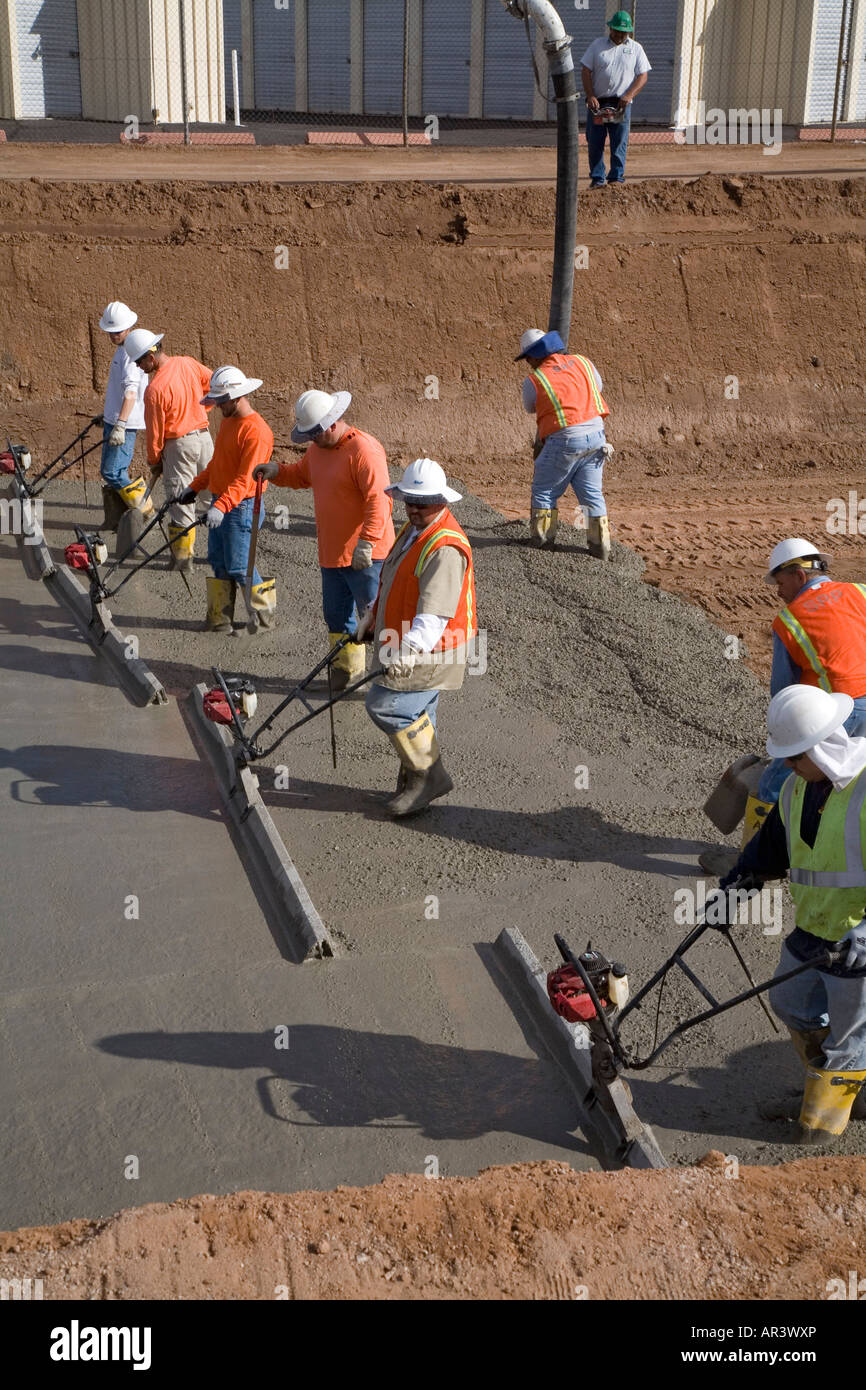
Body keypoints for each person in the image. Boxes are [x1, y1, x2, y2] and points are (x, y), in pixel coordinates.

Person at [720, 685, 866, 1143]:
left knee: (850, 1040)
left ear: (822, 747)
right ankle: (837, 1092)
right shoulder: (796, 789)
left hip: (854, 946)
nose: (785, 765)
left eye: (794, 756)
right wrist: (734, 890)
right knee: (792, 1004)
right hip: (811, 930)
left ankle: (818, 1128)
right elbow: (769, 849)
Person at [699, 539, 866, 878]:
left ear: (798, 575)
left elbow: (784, 693)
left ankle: (752, 868)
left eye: (780, 582)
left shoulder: (790, 621)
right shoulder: (860, 592)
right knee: (849, 780)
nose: (778, 592)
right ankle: (837, 854)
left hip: (834, 711)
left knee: (775, 784)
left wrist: (785, 742)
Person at [355, 458, 477, 818]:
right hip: (406, 638)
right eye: (408, 500)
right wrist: (372, 614)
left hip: (433, 647)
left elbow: (435, 614)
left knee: (387, 705)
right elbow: (393, 579)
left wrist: (407, 653)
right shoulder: (412, 531)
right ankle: (414, 783)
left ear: (441, 501)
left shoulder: (444, 547)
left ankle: (430, 776)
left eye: (422, 503)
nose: (413, 508)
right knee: (421, 713)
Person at [253, 389, 394, 690]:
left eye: (315, 434)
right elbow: (303, 475)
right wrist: (277, 471)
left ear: (331, 424)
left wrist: (367, 542)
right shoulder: (317, 449)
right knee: (336, 616)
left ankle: (393, 678)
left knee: (379, 617)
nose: (312, 441)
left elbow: (379, 501)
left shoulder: (364, 451)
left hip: (367, 556)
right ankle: (346, 672)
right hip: (332, 555)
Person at [176, 366, 276, 633]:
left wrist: (220, 506)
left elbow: (247, 480)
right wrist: (195, 487)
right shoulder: (230, 422)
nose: (218, 405)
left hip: (241, 506)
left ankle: (263, 621)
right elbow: (217, 463)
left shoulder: (256, 432)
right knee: (218, 561)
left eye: (221, 400)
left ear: (236, 397)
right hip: (223, 502)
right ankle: (219, 620)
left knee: (241, 565)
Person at [122, 329, 214, 572]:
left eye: (140, 362)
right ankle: (222, 556)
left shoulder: (154, 390)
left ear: (151, 357)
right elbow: (215, 384)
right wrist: (203, 410)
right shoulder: (188, 363)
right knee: (213, 497)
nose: (139, 367)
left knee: (181, 500)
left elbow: (155, 433)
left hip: (179, 446)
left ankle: (183, 562)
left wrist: (154, 461)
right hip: (205, 439)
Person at [516, 327, 612, 557]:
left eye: (528, 357)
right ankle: (601, 548)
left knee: (544, 490)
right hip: (597, 436)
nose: (528, 362)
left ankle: (542, 543)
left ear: (535, 355)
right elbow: (597, 387)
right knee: (591, 494)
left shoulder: (535, 379)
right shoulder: (583, 362)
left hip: (565, 440)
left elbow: (530, 406)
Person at [96, 301, 153, 532]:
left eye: (117, 331)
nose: (113, 336)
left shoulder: (131, 354)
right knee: (110, 471)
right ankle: (119, 520)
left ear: (128, 327)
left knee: (113, 471)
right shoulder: (122, 349)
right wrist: (108, 415)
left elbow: (130, 392)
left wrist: (120, 424)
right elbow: (119, 392)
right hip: (116, 419)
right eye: (110, 332)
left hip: (125, 423)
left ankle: (145, 509)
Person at [581, 11, 651, 187]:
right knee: (595, 141)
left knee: (619, 142)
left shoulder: (636, 49)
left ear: (629, 32)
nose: (619, 34)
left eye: (623, 31)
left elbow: (643, 75)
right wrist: (590, 95)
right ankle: (598, 179)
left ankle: (616, 178)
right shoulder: (597, 46)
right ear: (610, 28)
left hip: (620, 105)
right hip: (599, 104)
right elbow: (585, 71)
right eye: (616, 30)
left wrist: (629, 95)